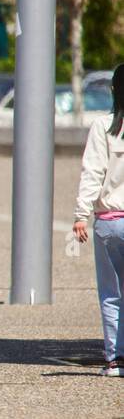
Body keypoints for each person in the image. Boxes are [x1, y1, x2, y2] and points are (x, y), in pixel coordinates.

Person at [73, 64, 124, 377]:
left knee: (111, 294)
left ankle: (115, 360)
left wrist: (81, 214)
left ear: (114, 91)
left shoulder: (103, 128)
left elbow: (92, 172)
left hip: (108, 222)